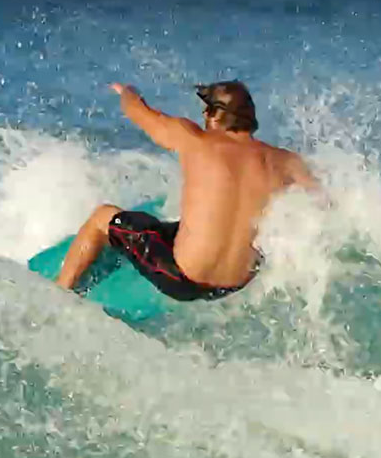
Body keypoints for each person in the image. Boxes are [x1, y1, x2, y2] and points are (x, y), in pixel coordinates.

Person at [56, 80, 320, 301]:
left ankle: (59, 295)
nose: (203, 115)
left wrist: (127, 92)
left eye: (206, 109)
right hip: (235, 283)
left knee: (103, 216)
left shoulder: (194, 139)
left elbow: (137, 112)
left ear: (214, 114)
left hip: (183, 279)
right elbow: (324, 207)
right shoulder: (287, 162)